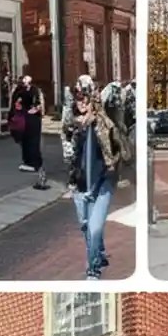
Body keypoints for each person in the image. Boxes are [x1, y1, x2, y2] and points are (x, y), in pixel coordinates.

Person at [64, 76, 127, 280]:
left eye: (85, 97)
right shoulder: (71, 124)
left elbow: (119, 146)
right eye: (78, 98)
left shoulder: (103, 123)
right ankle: (98, 252)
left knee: (95, 226)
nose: (81, 102)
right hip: (80, 184)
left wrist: (97, 113)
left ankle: (93, 269)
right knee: (85, 225)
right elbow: (69, 151)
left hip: (102, 183)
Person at [11, 75, 44, 172]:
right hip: (28, 118)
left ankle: (33, 163)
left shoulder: (33, 90)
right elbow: (16, 103)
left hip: (30, 119)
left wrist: (35, 110)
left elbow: (38, 104)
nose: (25, 81)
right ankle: (33, 162)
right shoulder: (20, 90)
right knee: (29, 141)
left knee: (31, 141)